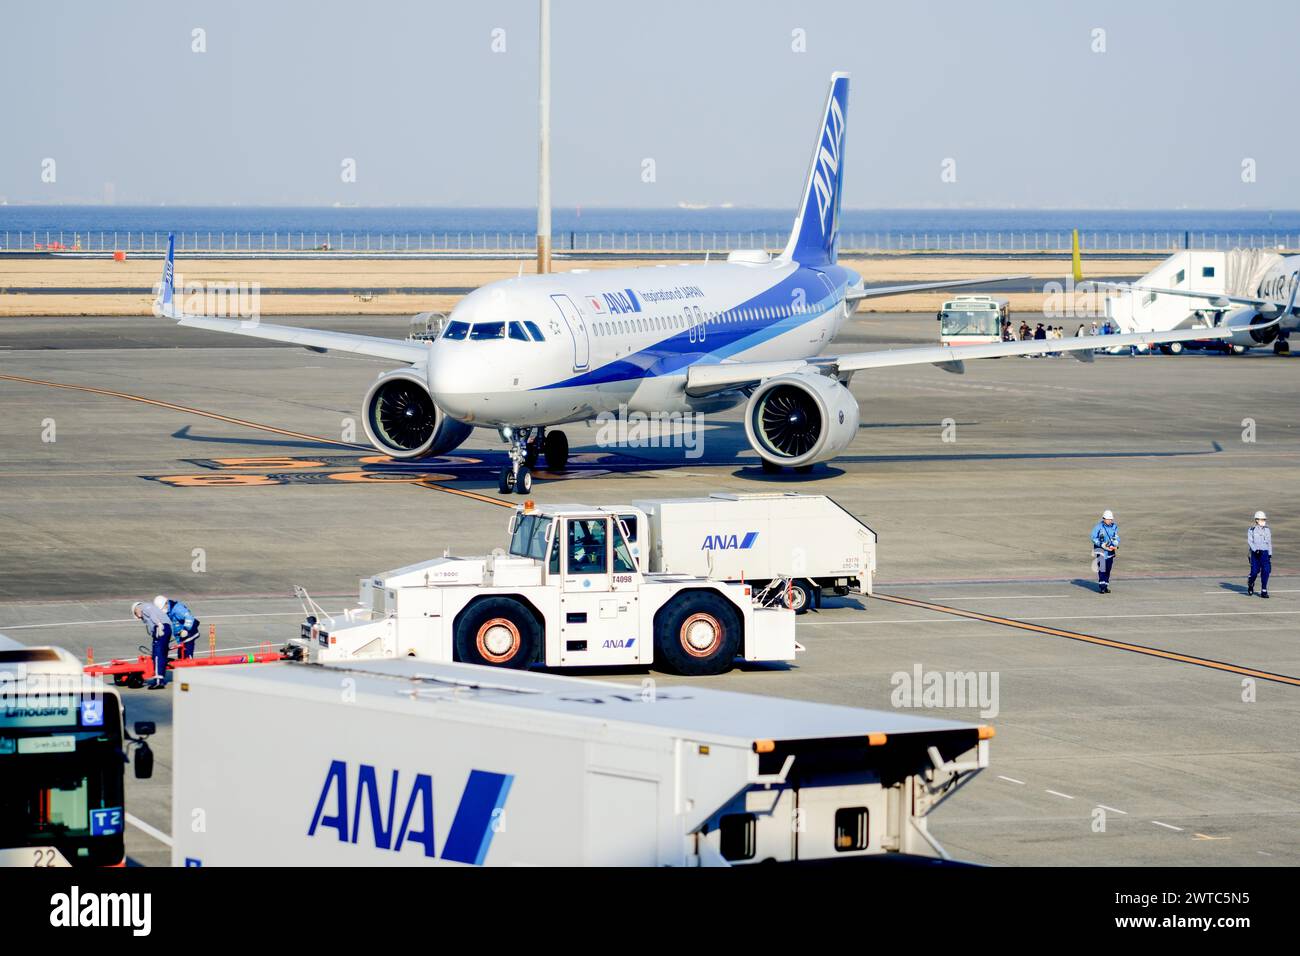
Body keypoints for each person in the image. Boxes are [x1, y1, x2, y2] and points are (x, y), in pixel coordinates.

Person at [132, 601, 172, 689]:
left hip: (161, 628)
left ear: (136, 608)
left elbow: (152, 615)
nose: (138, 616)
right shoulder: (147, 608)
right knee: (162, 654)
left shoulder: (144, 607)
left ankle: (158, 681)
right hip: (165, 628)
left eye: (136, 613)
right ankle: (160, 678)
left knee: (158, 655)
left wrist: (159, 625)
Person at [155, 594, 200, 659]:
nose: (162, 610)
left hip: (189, 633)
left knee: (186, 653)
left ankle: (189, 663)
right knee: (180, 655)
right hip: (181, 635)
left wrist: (186, 629)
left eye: (163, 608)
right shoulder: (169, 610)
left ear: (166, 603)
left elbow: (189, 617)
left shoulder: (177, 608)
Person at [1091, 510, 1120, 593]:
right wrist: (1101, 544)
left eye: (1111, 519)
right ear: (1104, 519)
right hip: (1100, 550)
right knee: (1102, 568)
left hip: (1110, 551)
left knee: (1108, 568)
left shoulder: (1114, 526)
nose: (1110, 521)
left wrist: (1115, 543)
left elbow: (1116, 536)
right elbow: (1093, 537)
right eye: (1108, 519)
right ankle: (1102, 587)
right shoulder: (1098, 527)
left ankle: (1106, 585)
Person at [1247, 511, 1272, 598]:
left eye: (1264, 519)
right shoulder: (1251, 530)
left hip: (1265, 553)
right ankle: (1250, 583)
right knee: (1254, 572)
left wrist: (1270, 553)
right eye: (1262, 519)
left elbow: (1269, 542)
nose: (1263, 521)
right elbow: (1250, 541)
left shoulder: (1267, 529)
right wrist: (1255, 550)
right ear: (1256, 520)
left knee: (1266, 571)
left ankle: (1264, 590)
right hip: (1255, 553)